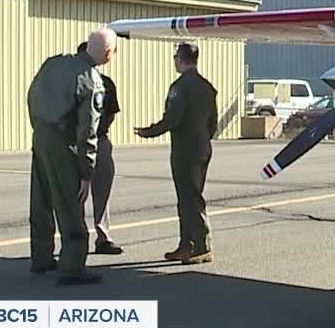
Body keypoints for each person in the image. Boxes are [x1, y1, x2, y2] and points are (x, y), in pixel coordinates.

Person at [26, 27, 117, 285]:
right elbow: (88, 130)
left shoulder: (53, 64)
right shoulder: (92, 81)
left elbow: (32, 96)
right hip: (64, 142)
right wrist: (86, 173)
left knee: (41, 199)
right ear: (108, 53)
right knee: (69, 203)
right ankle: (72, 266)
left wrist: (40, 127)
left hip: (41, 135)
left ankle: (41, 257)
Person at [135, 42, 218, 264]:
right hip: (202, 146)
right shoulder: (207, 86)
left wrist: (149, 131)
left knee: (189, 198)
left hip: (185, 149)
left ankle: (202, 246)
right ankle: (186, 245)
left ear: (179, 59)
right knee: (189, 197)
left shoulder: (180, 87)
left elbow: (173, 119)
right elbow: (213, 124)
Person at [77, 42, 124, 256]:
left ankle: (103, 236)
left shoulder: (105, 83)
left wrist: (100, 130)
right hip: (76, 143)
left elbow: (112, 111)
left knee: (102, 189)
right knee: (76, 191)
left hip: (100, 140)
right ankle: (76, 238)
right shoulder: (73, 82)